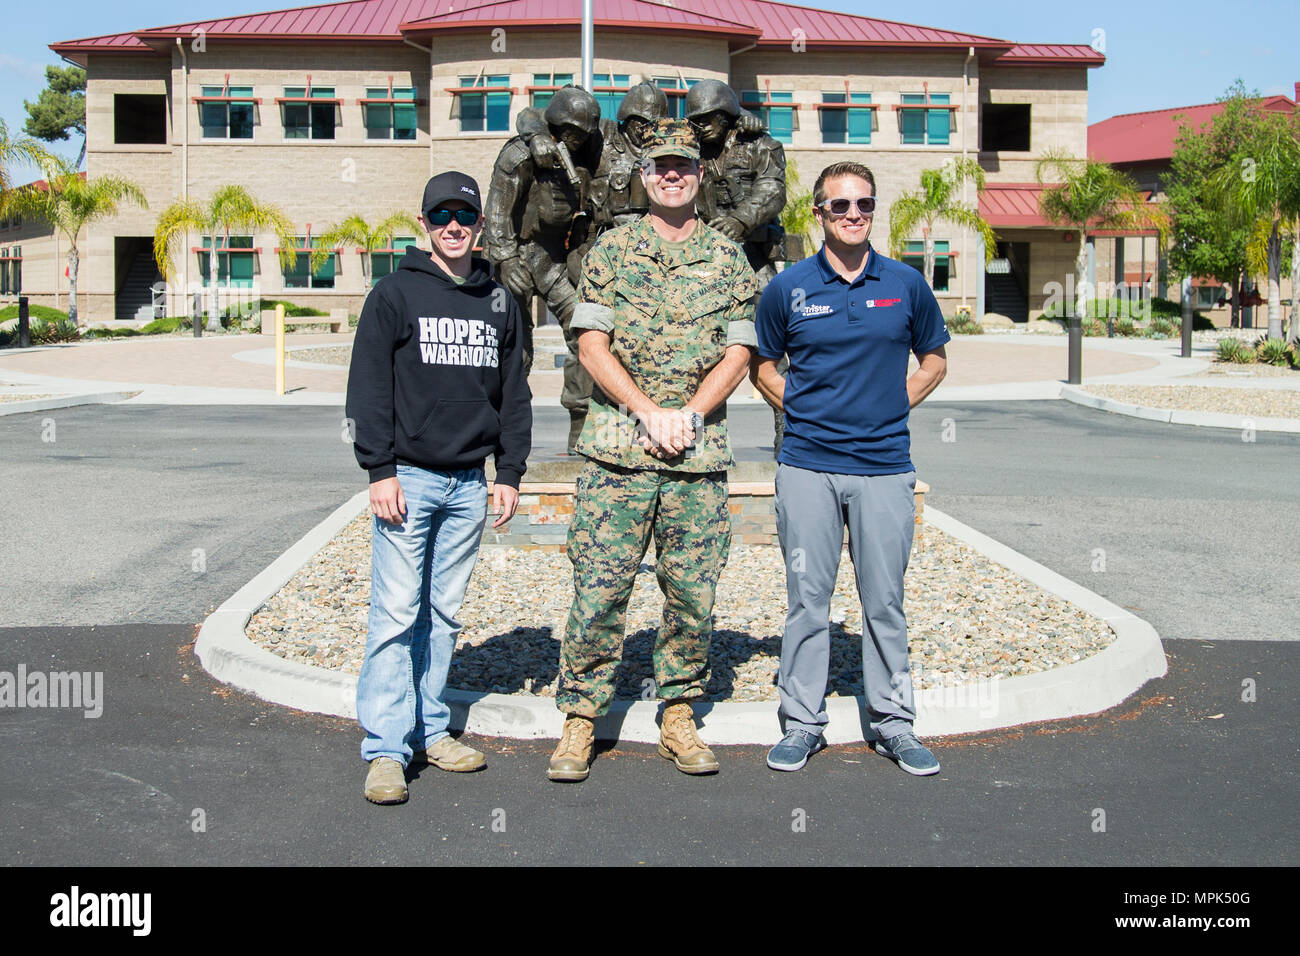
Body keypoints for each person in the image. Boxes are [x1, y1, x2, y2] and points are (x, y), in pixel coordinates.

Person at [547, 119, 759, 783]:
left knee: (692, 594)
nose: (673, 174)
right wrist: (647, 412)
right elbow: (590, 345)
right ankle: (582, 717)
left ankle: (678, 714)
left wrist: (689, 416)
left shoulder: (728, 260)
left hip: (695, 454)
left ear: (700, 176)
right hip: (618, 451)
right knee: (599, 590)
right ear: (643, 175)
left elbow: (741, 351)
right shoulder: (610, 250)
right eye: (661, 165)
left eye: (685, 166)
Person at [751, 161, 949, 776]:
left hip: (885, 468)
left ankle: (894, 723)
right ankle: (803, 724)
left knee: (884, 601)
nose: (854, 214)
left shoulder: (906, 283)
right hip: (807, 465)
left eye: (864, 203)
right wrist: (806, 412)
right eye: (840, 206)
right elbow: (762, 366)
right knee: (807, 599)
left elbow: (934, 360)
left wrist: (892, 405)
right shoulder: (788, 289)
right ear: (819, 215)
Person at [346, 171, 533, 804]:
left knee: (444, 615)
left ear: (481, 225)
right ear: (424, 223)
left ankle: (430, 728)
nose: (455, 226)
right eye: (442, 215)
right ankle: (385, 749)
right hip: (410, 479)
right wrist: (380, 470)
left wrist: (508, 474)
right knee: (396, 613)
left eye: (466, 217)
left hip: (469, 484)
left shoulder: (500, 300)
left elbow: (515, 394)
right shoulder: (394, 294)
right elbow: (368, 389)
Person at [484, 85, 602, 453]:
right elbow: (497, 212)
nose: (577, 138)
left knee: (583, 328)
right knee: (512, 343)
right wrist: (503, 258)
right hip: (516, 257)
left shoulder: (588, 154)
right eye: (571, 130)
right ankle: (503, 430)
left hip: (551, 259)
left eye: (583, 133)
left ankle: (580, 426)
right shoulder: (520, 155)